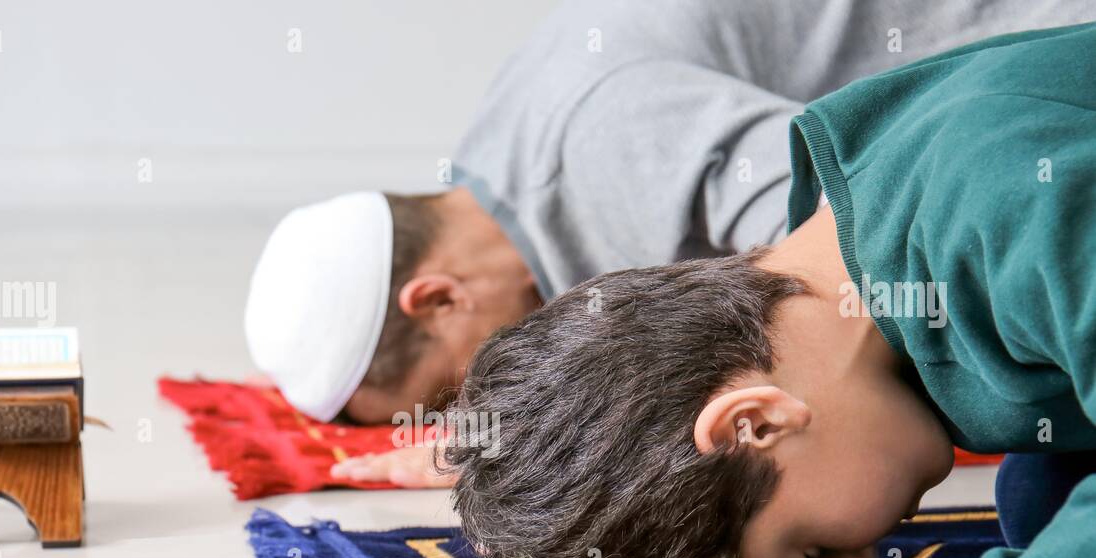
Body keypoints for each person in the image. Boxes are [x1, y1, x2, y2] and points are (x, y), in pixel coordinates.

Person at [444, 23, 1096, 558]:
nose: (868, 554)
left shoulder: (1000, 202)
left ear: (751, 423)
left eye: (812, 554)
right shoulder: (879, 239)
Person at [241, 0, 1091, 486]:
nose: (477, 407)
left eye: (452, 391)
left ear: (435, 296)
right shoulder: (500, 154)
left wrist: (551, 444)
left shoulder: (605, 141)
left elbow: (843, 249)